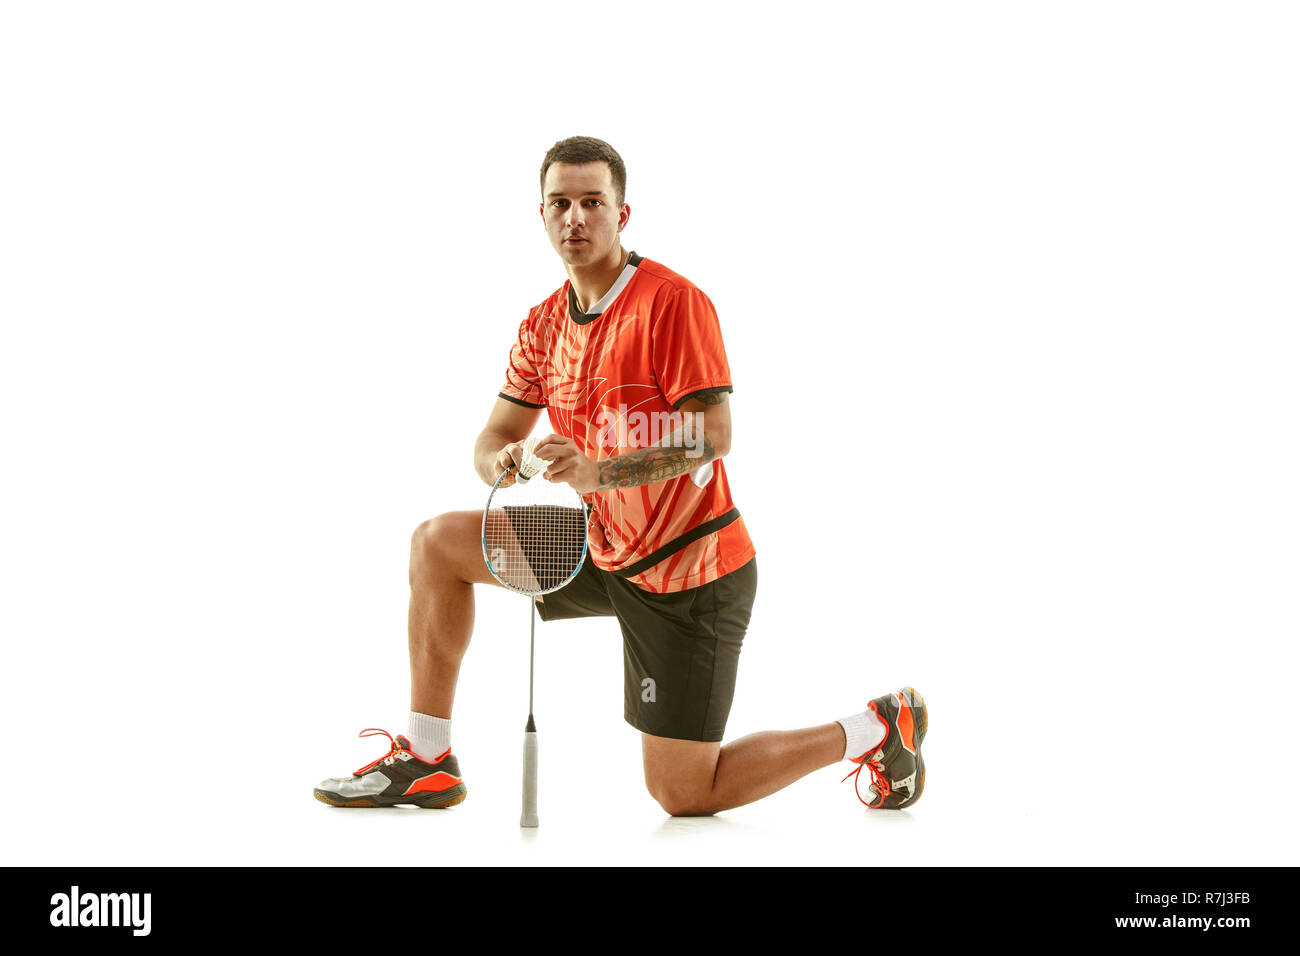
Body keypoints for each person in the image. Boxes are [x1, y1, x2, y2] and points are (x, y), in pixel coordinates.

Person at [314, 136, 927, 815]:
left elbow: (714, 436)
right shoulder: (544, 325)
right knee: (437, 543)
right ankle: (427, 761)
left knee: (685, 792)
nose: (575, 217)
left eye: (591, 203)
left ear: (622, 214)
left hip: (688, 574)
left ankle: (878, 725)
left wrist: (600, 471)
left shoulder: (672, 303)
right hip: (603, 550)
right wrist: (503, 462)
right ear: (542, 214)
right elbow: (493, 435)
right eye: (561, 203)